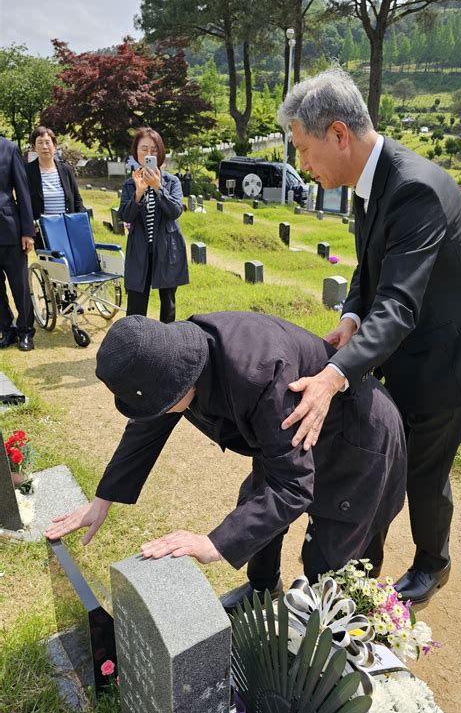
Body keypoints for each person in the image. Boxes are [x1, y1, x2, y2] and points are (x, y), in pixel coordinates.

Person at [45, 312, 407, 610]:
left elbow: (293, 485)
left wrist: (214, 543)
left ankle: (330, 640)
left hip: (357, 440)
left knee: (330, 563)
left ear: (177, 384)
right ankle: (263, 591)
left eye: (161, 403)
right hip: (287, 433)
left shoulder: (262, 373)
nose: (159, 412)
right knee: (256, 503)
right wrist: (102, 500)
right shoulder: (177, 355)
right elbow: (150, 421)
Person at [277, 67, 461, 604]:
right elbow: (369, 271)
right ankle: (361, 570)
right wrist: (349, 318)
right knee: (381, 459)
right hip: (401, 348)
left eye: (304, 148)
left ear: (338, 134)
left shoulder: (415, 188)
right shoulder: (369, 181)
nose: (303, 164)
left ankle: (434, 564)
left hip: (445, 363)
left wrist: (334, 375)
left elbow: (400, 304)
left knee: (421, 472)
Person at [119, 127, 189, 322]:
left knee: (168, 304)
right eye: (144, 149)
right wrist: (138, 193)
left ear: (160, 153)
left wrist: (158, 187)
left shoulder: (171, 181)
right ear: (136, 153)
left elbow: (175, 211)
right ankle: (134, 344)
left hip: (167, 249)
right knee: (136, 303)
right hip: (139, 250)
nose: (149, 154)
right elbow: (125, 215)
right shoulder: (129, 184)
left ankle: (166, 348)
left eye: (154, 150)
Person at [0, 136, 36, 352]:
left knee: (19, 285)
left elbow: (23, 192)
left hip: (10, 230)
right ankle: (7, 329)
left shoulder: (9, 148)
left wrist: (28, 232)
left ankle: (25, 331)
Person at [25, 126, 85, 220]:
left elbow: (77, 200)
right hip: (40, 230)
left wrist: (81, 221)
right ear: (34, 147)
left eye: (48, 142)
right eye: (40, 143)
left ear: (54, 145)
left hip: (67, 227)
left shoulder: (66, 170)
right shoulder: (27, 171)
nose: (44, 147)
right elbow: (23, 203)